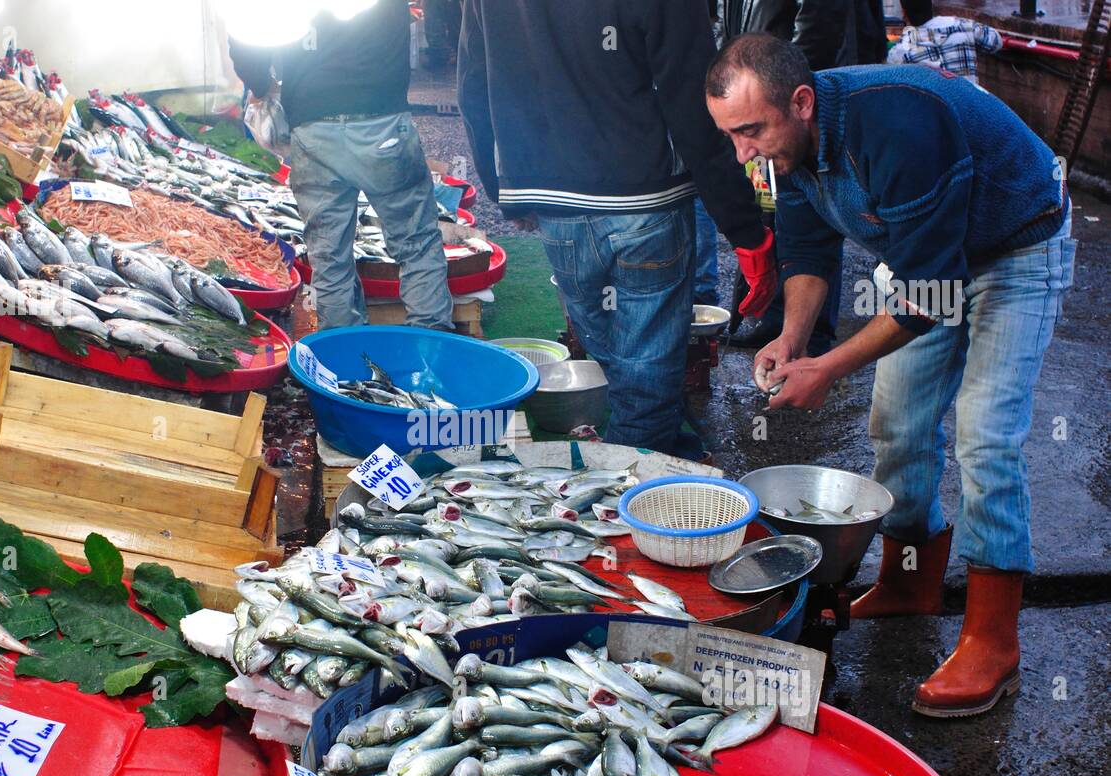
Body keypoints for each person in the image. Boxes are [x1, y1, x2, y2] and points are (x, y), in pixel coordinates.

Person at [705, 35, 1076, 717]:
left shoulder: (897, 122)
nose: (742, 153)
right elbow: (810, 246)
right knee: (897, 422)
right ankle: (911, 582)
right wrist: (792, 340)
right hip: (928, 258)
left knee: (985, 436)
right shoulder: (789, 144)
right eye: (730, 136)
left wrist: (829, 367)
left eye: (750, 131)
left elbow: (933, 293)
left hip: (1017, 246)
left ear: (802, 102)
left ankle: (995, 642)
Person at [458, 0, 777, 460]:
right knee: (643, 376)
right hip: (644, 198)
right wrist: (745, 229)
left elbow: (473, 82)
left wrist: (505, 188)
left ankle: (655, 451)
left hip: (556, 198)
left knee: (623, 361)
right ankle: (626, 498)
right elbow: (694, 98)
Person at [229, 1, 453, 330]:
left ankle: (343, 360)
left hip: (312, 126)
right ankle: (433, 351)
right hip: (382, 122)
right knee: (416, 244)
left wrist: (262, 86)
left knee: (329, 256)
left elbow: (245, 34)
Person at [710, 0, 852, 354]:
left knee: (808, 213)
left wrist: (774, 95)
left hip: (778, 99)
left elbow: (819, 27)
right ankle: (779, 322)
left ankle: (811, 332)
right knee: (771, 207)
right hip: (756, 97)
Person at [887, 0, 1004, 86]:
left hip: (937, 114)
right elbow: (996, 42)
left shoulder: (900, 50)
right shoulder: (963, 26)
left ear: (904, 12)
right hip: (970, 108)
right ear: (931, 5)